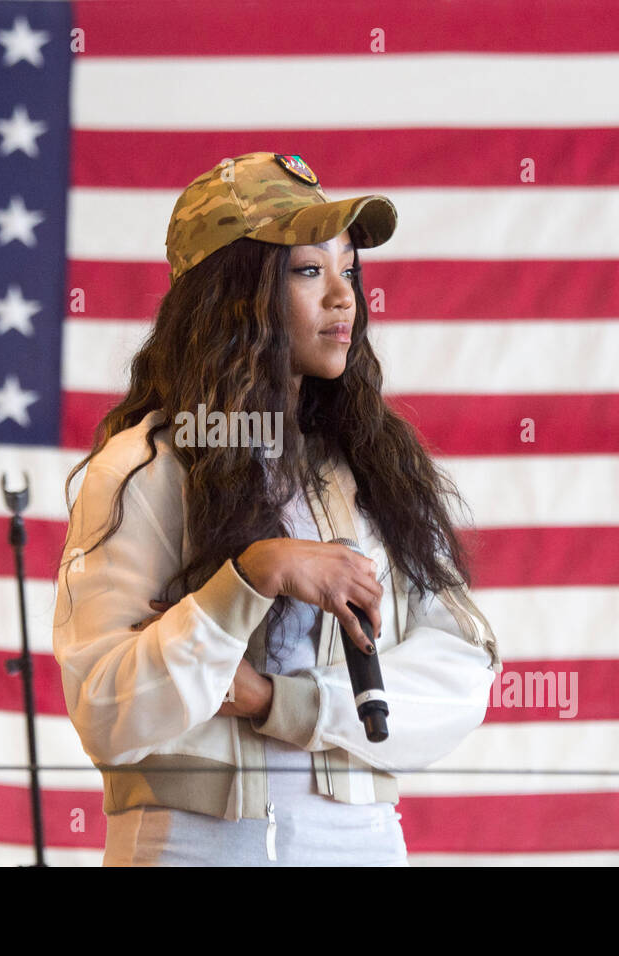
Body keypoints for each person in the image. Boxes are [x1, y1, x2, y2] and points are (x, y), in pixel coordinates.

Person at [52, 151, 502, 866]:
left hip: (361, 845)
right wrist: (251, 577)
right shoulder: (145, 469)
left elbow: (460, 679)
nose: (343, 297)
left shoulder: (377, 469)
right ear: (234, 294)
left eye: (347, 269)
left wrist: (276, 701)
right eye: (307, 270)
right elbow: (108, 711)